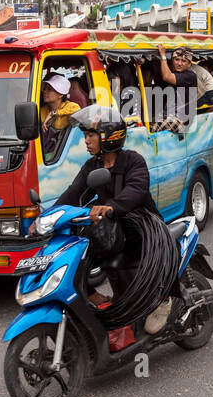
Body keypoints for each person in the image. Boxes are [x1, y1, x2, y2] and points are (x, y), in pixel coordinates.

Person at [54, 107, 167, 331]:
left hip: (142, 228)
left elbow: (136, 190)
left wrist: (110, 207)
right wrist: (49, 218)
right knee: (76, 255)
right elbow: (73, 193)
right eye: (85, 136)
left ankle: (163, 300)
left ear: (108, 137)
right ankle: (93, 295)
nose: (86, 141)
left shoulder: (133, 161)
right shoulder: (92, 165)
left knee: (144, 262)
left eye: (90, 136)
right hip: (114, 229)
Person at [155, 43, 198, 130]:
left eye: (183, 61)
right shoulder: (176, 74)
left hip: (183, 120)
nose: (179, 63)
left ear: (189, 64)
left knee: (153, 131)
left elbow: (167, 77)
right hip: (171, 115)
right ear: (172, 61)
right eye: (177, 59)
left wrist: (163, 55)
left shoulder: (190, 76)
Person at [39, 74, 80, 158]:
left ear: (60, 95)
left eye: (49, 89)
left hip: (62, 152)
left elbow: (77, 110)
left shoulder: (70, 106)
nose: (45, 92)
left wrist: (55, 113)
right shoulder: (43, 110)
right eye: (45, 89)